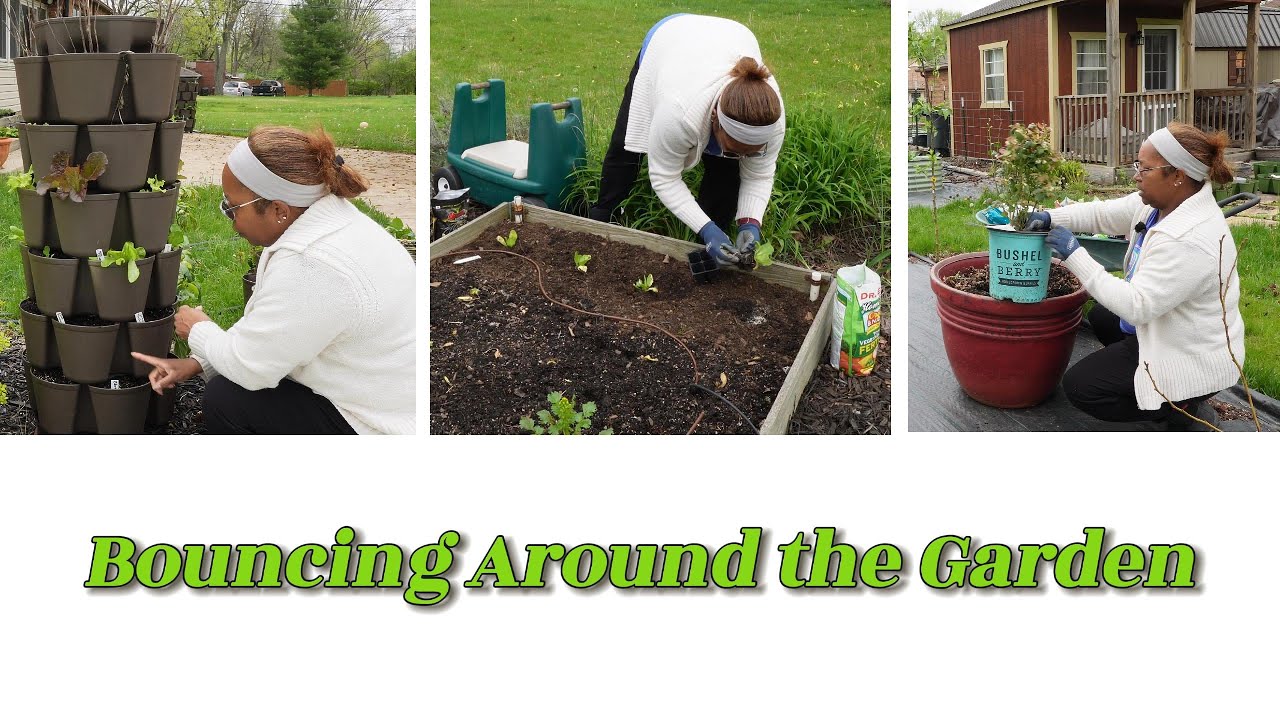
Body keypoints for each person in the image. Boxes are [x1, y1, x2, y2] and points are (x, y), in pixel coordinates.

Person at [131, 126, 416, 434]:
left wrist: (198, 330)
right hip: (378, 398)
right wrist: (199, 363)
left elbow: (252, 369)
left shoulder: (312, 264)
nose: (230, 220)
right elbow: (275, 330)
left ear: (278, 209)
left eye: (231, 207)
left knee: (228, 400)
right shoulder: (330, 225)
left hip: (377, 426)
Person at [1024, 122, 1245, 429]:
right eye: (1136, 166)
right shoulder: (1162, 204)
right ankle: (1151, 378)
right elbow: (1105, 214)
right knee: (1103, 316)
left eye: (1144, 169)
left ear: (1178, 175)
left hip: (1194, 356)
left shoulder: (1188, 239)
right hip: (1170, 328)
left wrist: (1074, 254)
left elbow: (1136, 306)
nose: (1135, 176)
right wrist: (1051, 217)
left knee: (1081, 387)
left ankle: (1178, 406)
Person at [588, 13, 786, 268]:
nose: (742, 159)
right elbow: (664, 177)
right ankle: (600, 218)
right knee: (626, 146)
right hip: (671, 39)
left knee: (726, 172)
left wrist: (750, 223)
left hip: (732, 35)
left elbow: (758, 176)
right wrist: (707, 229)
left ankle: (711, 250)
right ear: (714, 118)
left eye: (751, 153)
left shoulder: (771, 118)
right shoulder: (678, 111)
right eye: (735, 150)